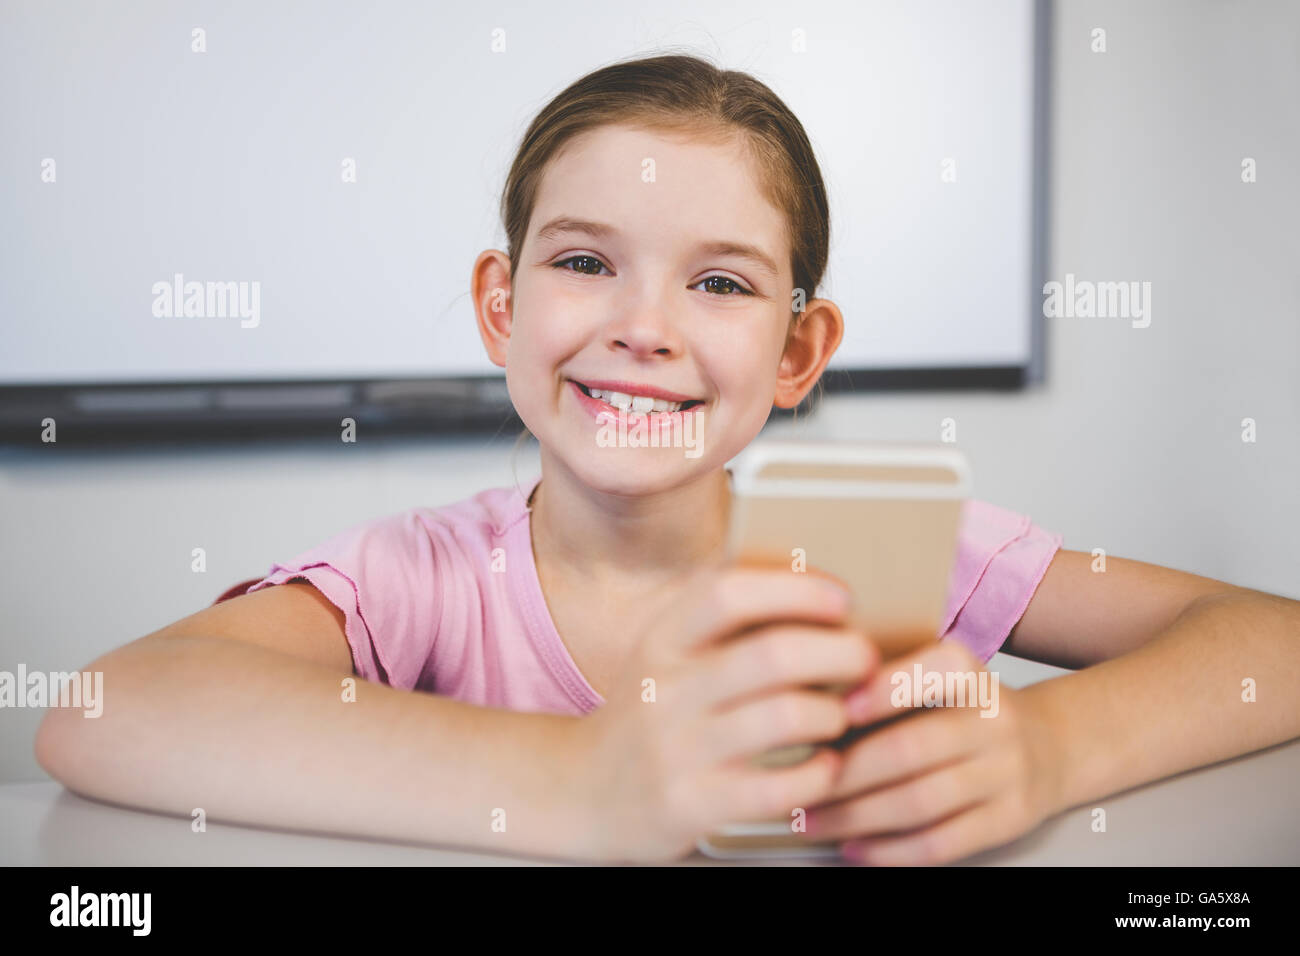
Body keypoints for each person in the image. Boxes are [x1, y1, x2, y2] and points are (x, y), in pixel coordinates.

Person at [35, 53, 1300, 865]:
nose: (643, 326)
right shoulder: (422, 578)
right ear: (502, 306)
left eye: (719, 281)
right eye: (585, 261)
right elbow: (105, 712)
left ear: (800, 351)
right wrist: (587, 785)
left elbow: (1273, 645)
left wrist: (1047, 751)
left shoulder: (908, 562)